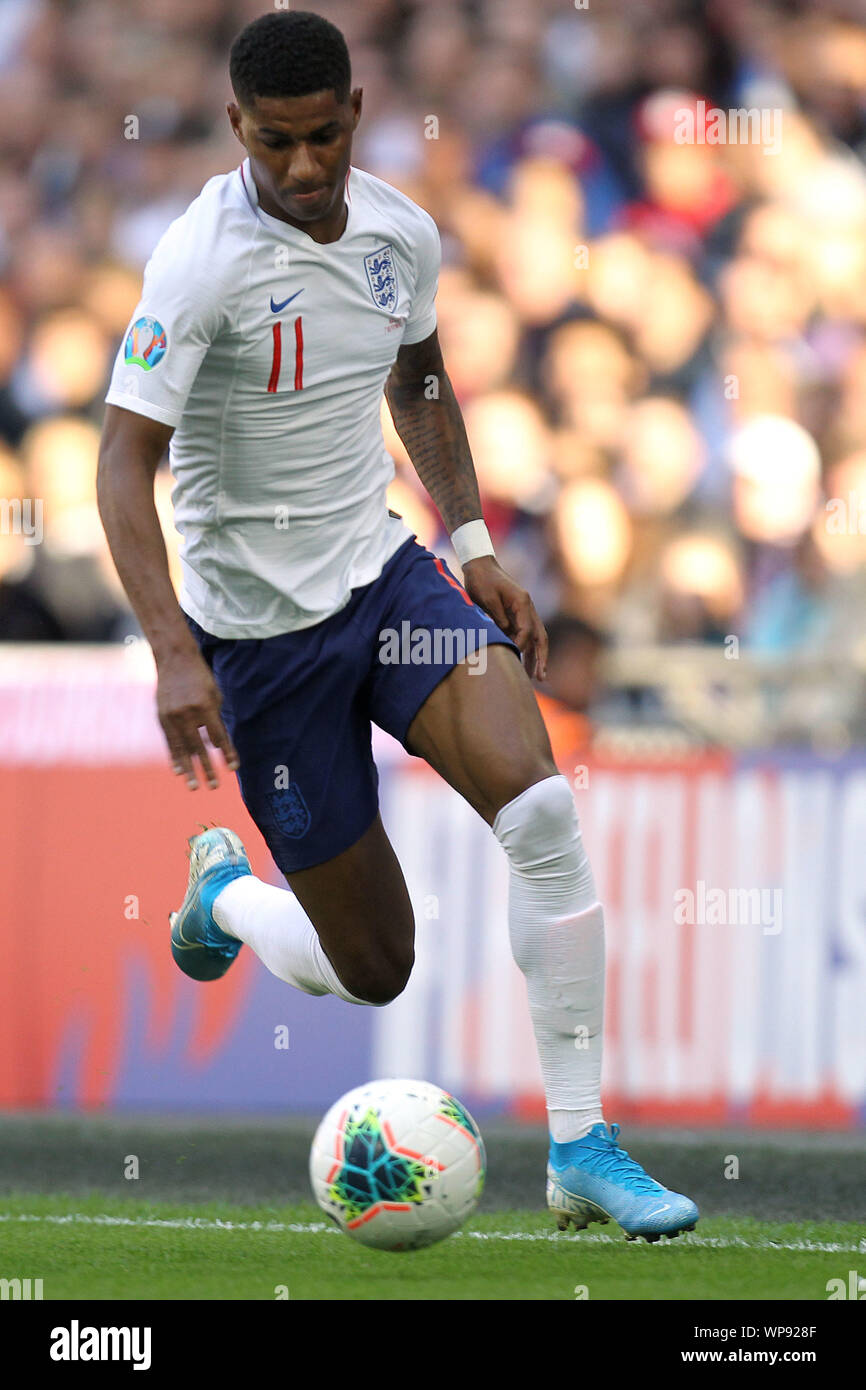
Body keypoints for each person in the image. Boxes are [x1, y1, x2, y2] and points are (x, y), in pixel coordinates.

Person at [97, 9, 697, 1242]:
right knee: (374, 963)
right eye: (276, 145)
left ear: (356, 113)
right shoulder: (197, 264)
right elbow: (119, 466)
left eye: (323, 138)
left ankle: (582, 1143)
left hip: (382, 585)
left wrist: (470, 544)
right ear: (235, 130)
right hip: (257, 641)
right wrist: (171, 651)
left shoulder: (398, 231)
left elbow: (416, 376)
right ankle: (228, 904)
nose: (305, 169)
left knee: (538, 806)